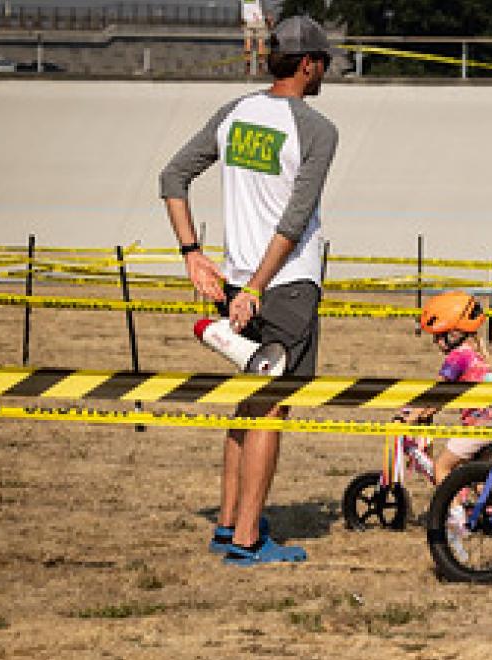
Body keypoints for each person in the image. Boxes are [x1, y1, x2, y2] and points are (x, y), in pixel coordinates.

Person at [158, 15, 338, 566]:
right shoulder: (318, 130)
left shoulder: (235, 112)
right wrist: (257, 288)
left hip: (238, 283)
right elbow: (293, 220)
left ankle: (228, 524)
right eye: (324, 62)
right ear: (308, 64)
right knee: (270, 409)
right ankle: (248, 541)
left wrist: (194, 257)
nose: (326, 70)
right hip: (283, 287)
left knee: (248, 402)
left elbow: (172, 178)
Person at [398, 291, 492, 485]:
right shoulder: (474, 353)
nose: (435, 342)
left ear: (453, 333)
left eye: (438, 336)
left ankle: (454, 514)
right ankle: (489, 509)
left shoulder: (458, 357)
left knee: (442, 467)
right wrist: (424, 411)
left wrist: (410, 416)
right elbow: (441, 399)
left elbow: (438, 391)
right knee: (473, 477)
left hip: (480, 424)